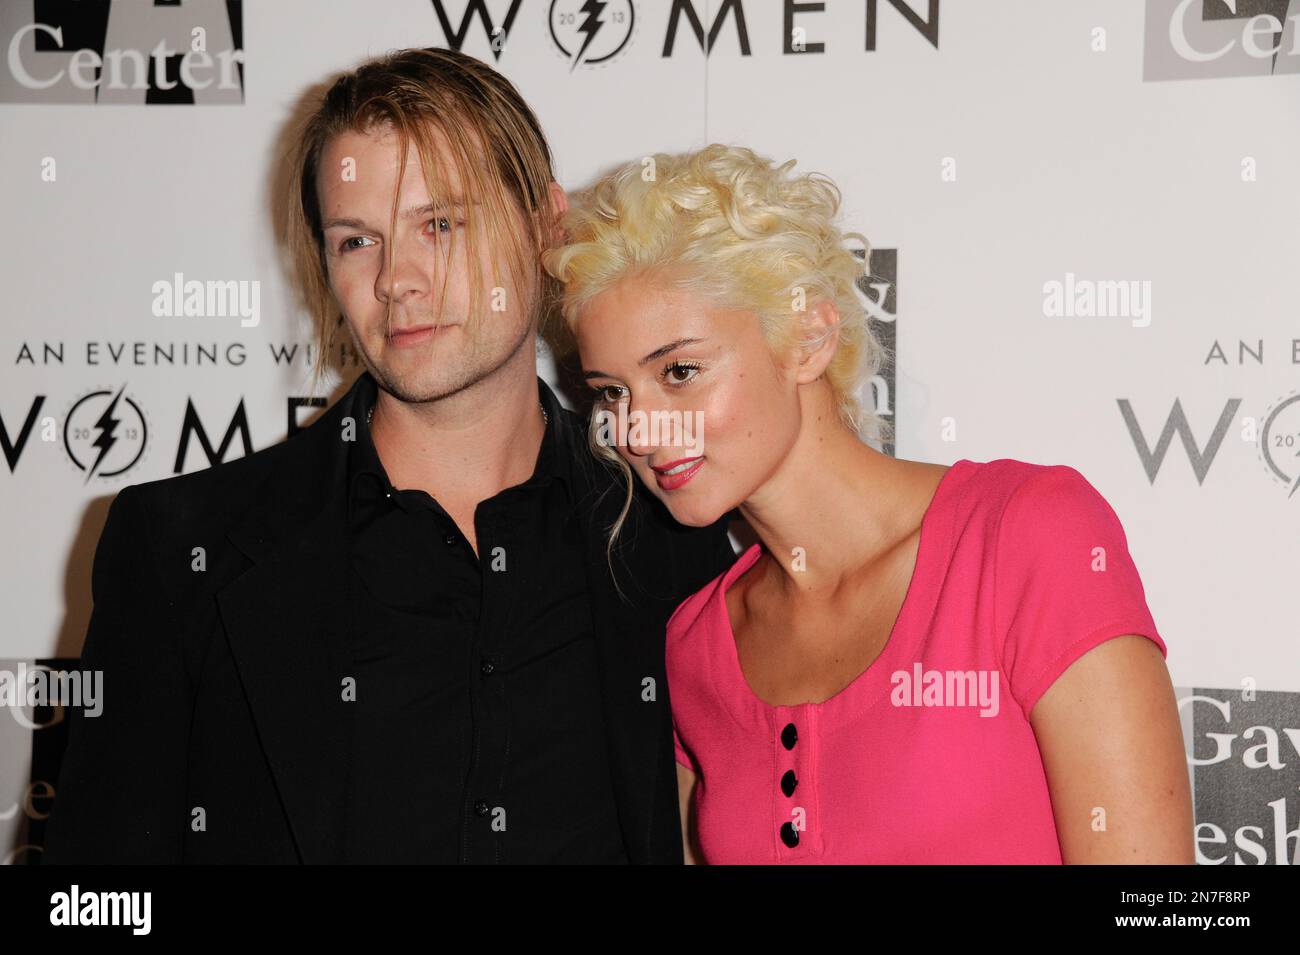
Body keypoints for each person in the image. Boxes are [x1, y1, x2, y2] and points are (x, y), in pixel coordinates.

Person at [41, 48, 734, 865]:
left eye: (439, 224)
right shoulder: (182, 550)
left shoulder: (677, 536)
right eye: (356, 241)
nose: (397, 280)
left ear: (548, 225)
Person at [542, 143, 1194, 864]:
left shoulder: (1025, 538)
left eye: (681, 370)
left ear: (809, 337)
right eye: (613, 391)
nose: (639, 428)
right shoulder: (698, 643)